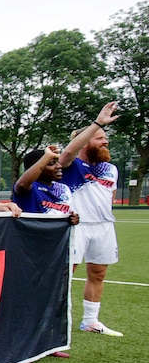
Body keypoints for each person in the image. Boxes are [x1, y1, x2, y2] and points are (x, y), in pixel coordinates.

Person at [58, 102, 122, 336]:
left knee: (98, 273)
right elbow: (66, 153)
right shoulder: (71, 165)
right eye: (99, 138)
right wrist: (96, 123)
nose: (105, 141)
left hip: (104, 227)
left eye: (105, 138)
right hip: (76, 227)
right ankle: (55, 321)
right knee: (66, 274)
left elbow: (110, 197)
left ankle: (91, 321)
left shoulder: (110, 169)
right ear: (85, 141)